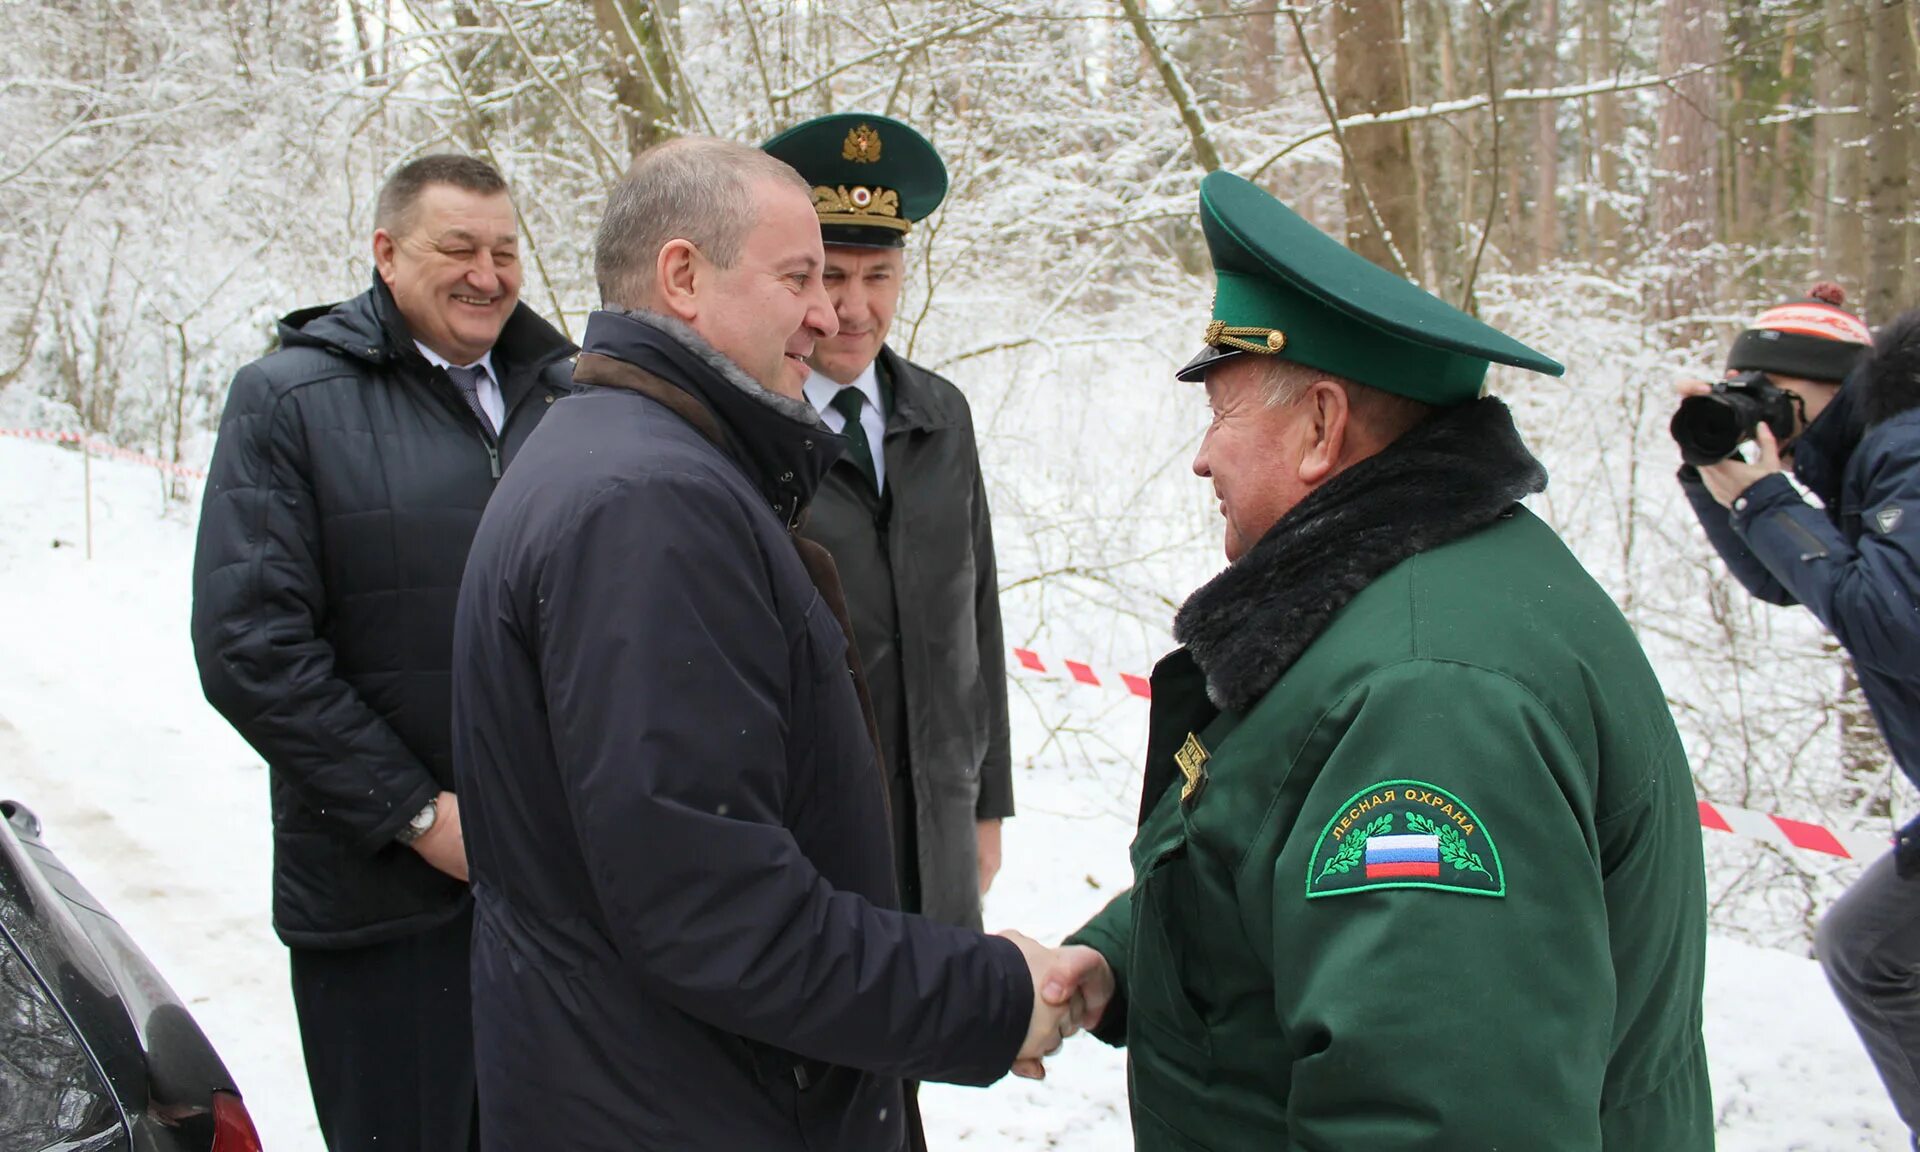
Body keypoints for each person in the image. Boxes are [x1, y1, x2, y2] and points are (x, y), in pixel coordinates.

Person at [1033, 171, 1714, 1148]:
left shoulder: (1424, 698)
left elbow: (1441, 1113)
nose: (1201, 459)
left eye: (1221, 414)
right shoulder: (1427, 585)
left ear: (1321, 424)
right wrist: (1118, 961)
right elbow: (1280, 866)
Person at [448, 136, 1070, 1151]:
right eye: (800, 278)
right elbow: (717, 909)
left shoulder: (626, 457)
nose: (828, 315)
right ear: (684, 276)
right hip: (687, 1100)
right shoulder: (649, 506)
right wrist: (990, 996)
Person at [190, 153, 576, 1151]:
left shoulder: (571, 394)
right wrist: (414, 815)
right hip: (385, 904)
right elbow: (249, 646)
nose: (487, 275)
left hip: (564, 894)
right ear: (387, 253)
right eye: (457, 248)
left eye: (503, 250)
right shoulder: (289, 399)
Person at [1677, 288, 1920, 1145]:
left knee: (1868, 949)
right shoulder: (1869, 460)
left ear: (1830, 389)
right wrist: (1718, 477)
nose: (1768, 420)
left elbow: (1894, 620)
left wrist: (1767, 498)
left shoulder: (1909, 447)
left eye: (1773, 399)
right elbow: (1782, 579)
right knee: (1866, 948)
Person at [761, 113, 1012, 928]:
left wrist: (986, 804)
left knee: (926, 1026)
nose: (854, 307)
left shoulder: (941, 414)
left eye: (880, 276)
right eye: (831, 276)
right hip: (815, 826)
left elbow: (978, 614)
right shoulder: (755, 425)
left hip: (939, 813)